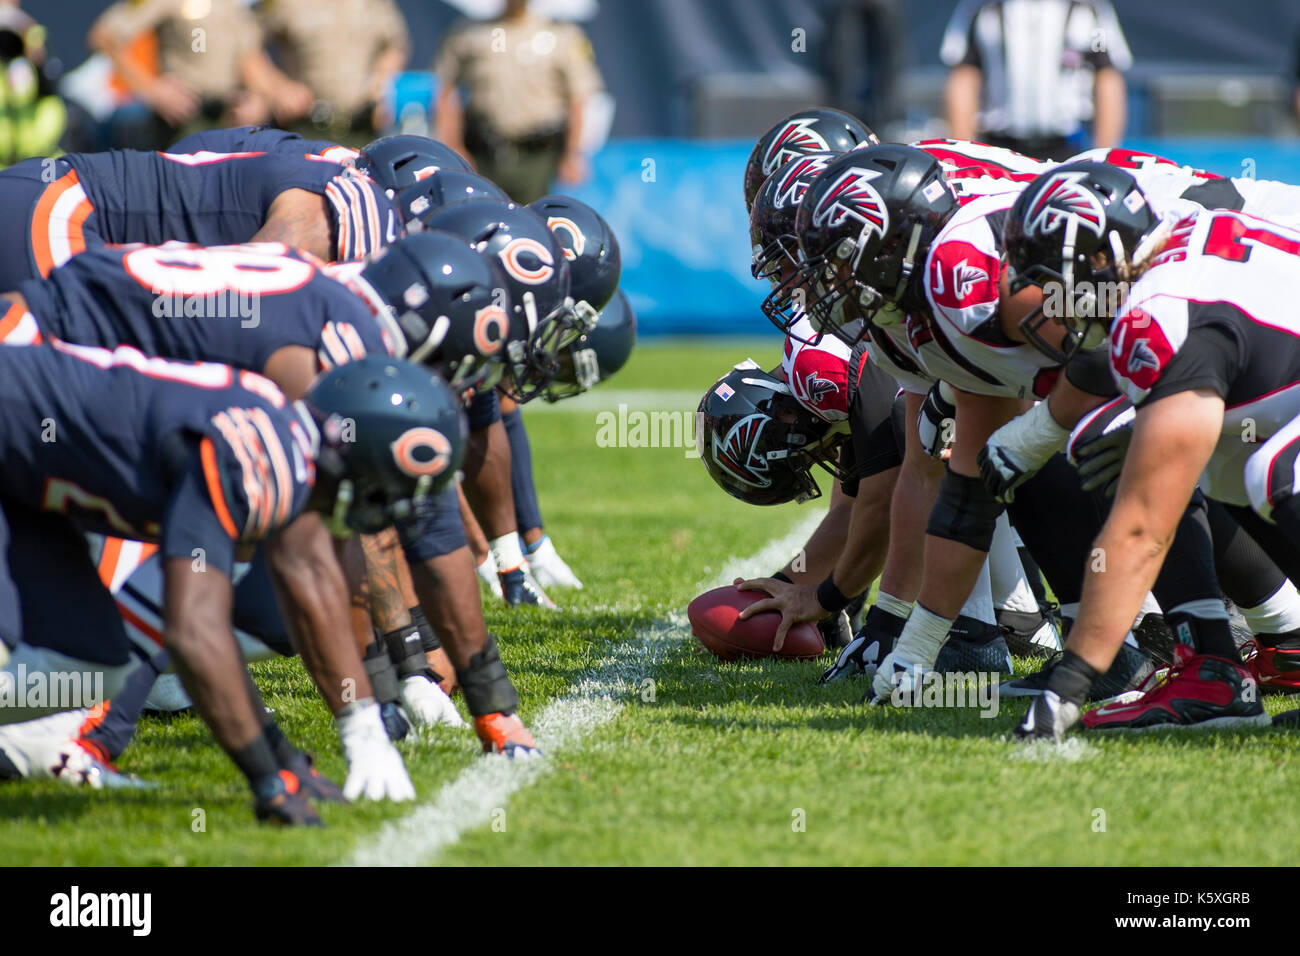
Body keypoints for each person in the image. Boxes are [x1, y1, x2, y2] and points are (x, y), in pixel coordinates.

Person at [433, 0, 603, 203]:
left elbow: (578, 99)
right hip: (483, 154)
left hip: (538, 157)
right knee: (479, 221)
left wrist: (573, 154)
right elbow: (444, 92)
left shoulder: (561, 36)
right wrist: (454, 147)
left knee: (532, 224)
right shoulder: (470, 34)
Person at [940, 0, 1131, 161]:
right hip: (998, 147)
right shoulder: (981, 8)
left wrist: (1105, 155)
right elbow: (964, 77)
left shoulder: (1088, 10)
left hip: (1064, 146)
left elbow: (1107, 77)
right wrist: (962, 154)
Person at [255, 0, 411, 148]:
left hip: (360, 128)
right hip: (306, 128)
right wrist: (277, 87)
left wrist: (381, 81)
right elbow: (247, 46)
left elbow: (395, 43)